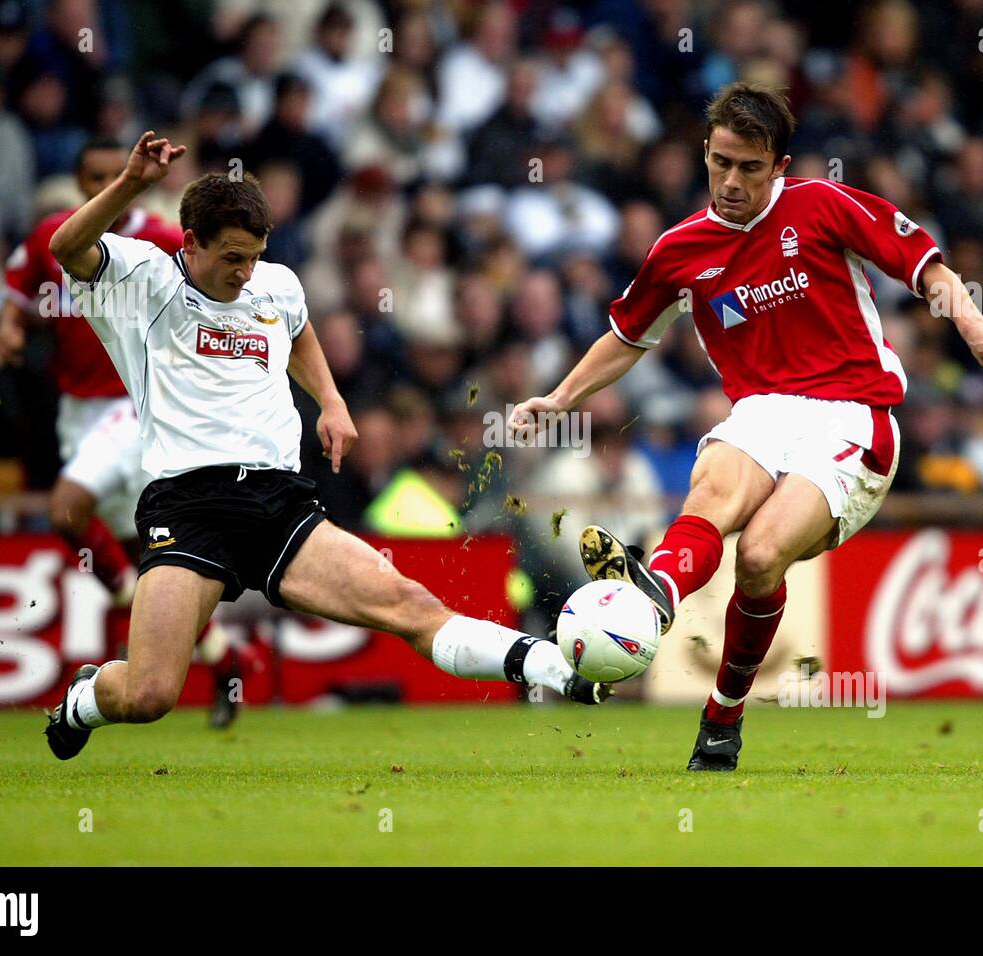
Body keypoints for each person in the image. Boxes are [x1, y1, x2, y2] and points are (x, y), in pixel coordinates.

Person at [42, 131, 608, 761]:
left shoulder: (275, 285)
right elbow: (64, 246)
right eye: (231, 256)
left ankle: (551, 668)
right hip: (188, 508)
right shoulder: (139, 279)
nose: (244, 271)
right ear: (192, 242)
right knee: (148, 695)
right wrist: (132, 185)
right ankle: (84, 701)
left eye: (254, 255)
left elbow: (300, 332)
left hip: (279, 503)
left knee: (406, 604)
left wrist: (332, 402)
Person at [510, 83, 983, 772]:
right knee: (713, 488)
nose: (731, 181)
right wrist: (560, 394)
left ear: (779, 166)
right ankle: (655, 597)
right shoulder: (679, 250)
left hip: (853, 415)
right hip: (761, 409)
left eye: (750, 168)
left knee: (757, 558)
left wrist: (976, 324)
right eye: (720, 162)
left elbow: (924, 265)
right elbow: (626, 335)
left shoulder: (823, 205)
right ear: (705, 152)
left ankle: (723, 713)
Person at [0, 138, 237, 730]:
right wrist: (7, 331)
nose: (105, 185)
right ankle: (225, 657)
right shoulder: (55, 238)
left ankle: (126, 596)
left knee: (65, 509)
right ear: (79, 182)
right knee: (148, 555)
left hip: (133, 408)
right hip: (76, 414)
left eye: (114, 175)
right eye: (93, 177)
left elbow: (214, 298)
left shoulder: (160, 238)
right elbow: (19, 297)